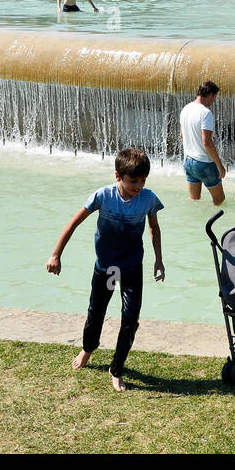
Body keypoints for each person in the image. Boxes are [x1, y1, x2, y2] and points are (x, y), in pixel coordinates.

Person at [46, 147, 164, 392]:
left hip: (131, 268)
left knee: (130, 320)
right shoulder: (103, 196)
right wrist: (56, 254)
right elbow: (74, 223)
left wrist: (159, 260)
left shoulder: (148, 199)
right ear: (118, 176)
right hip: (108, 269)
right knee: (96, 312)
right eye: (133, 181)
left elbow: (154, 228)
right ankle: (88, 348)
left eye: (143, 180)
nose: (138, 186)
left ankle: (116, 369)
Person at [180, 79, 226, 206]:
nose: (214, 101)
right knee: (219, 200)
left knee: (195, 201)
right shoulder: (205, 113)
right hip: (203, 163)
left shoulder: (186, 109)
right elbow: (207, 142)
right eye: (215, 97)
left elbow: (182, 136)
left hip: (188, 161)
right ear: (211, 95)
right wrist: (219, 165)